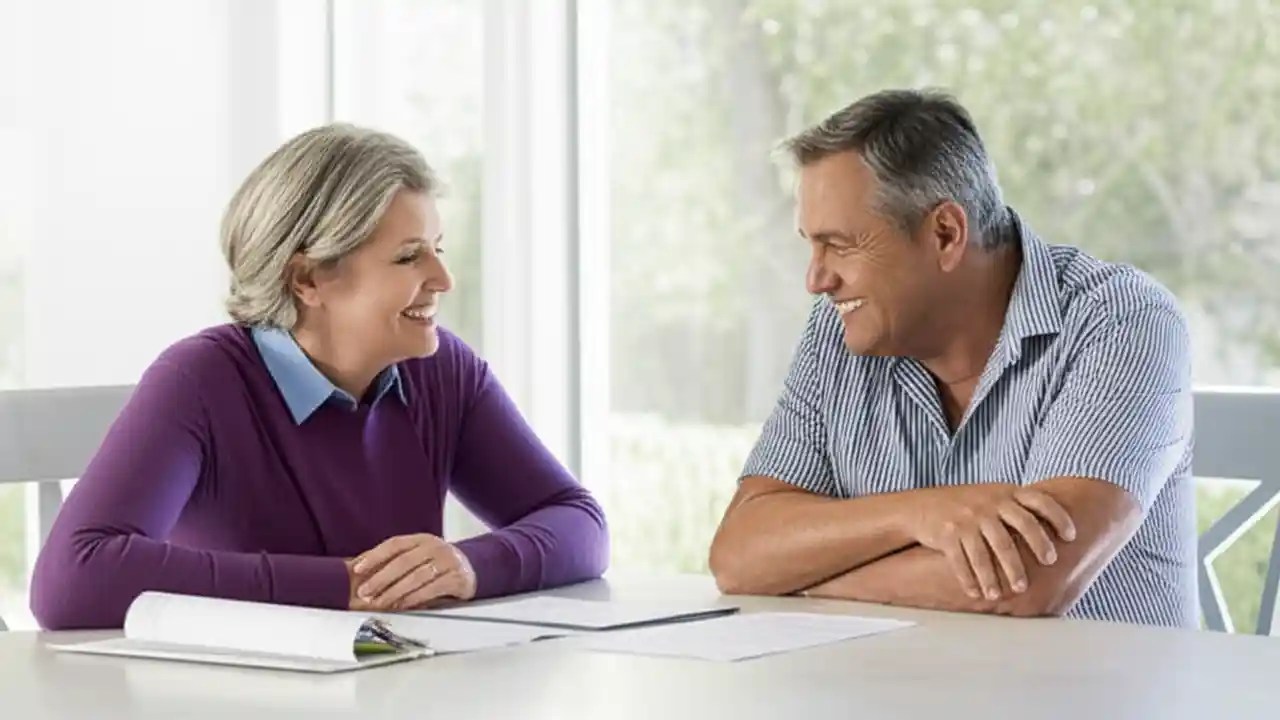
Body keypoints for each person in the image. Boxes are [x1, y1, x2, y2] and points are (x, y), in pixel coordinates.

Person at [30, 124, 609, 629]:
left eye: (437, 248)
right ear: (307, 280)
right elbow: (72, 581)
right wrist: (339, 585)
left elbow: (580, 523)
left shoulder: (442, 371)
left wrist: (468, 565)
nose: (443, 278)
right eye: (409, 257)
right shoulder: (198, 380)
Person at [709, 89, 1195, 627]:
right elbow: (740, 555)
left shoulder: (1122, 320)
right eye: (811, 245)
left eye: (840, 245)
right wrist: (919, 514)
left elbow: (1026, 579)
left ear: (945, 233)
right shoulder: (841, 333)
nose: (816, 279)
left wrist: (803, 580)